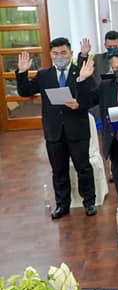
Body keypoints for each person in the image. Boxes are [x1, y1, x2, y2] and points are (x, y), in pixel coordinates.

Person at [16, 39, 97, 219]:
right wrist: (22, 72)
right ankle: (62, 205)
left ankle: (89, 202)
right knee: (58, 170)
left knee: (83, 168)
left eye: (63, 53)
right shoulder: (44, 74)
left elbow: (93, 98)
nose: (59, 57)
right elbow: (25, 91)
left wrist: (79, 104)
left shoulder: (81, 71)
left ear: (70, 53)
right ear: (50, 55)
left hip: (77, 128)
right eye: (55, 53)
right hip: (54, 130)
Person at [78, 49, 118, 243]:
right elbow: (86, 101)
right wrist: (83, 80)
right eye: (116, 68)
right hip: (116, 145)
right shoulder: (106, 86)